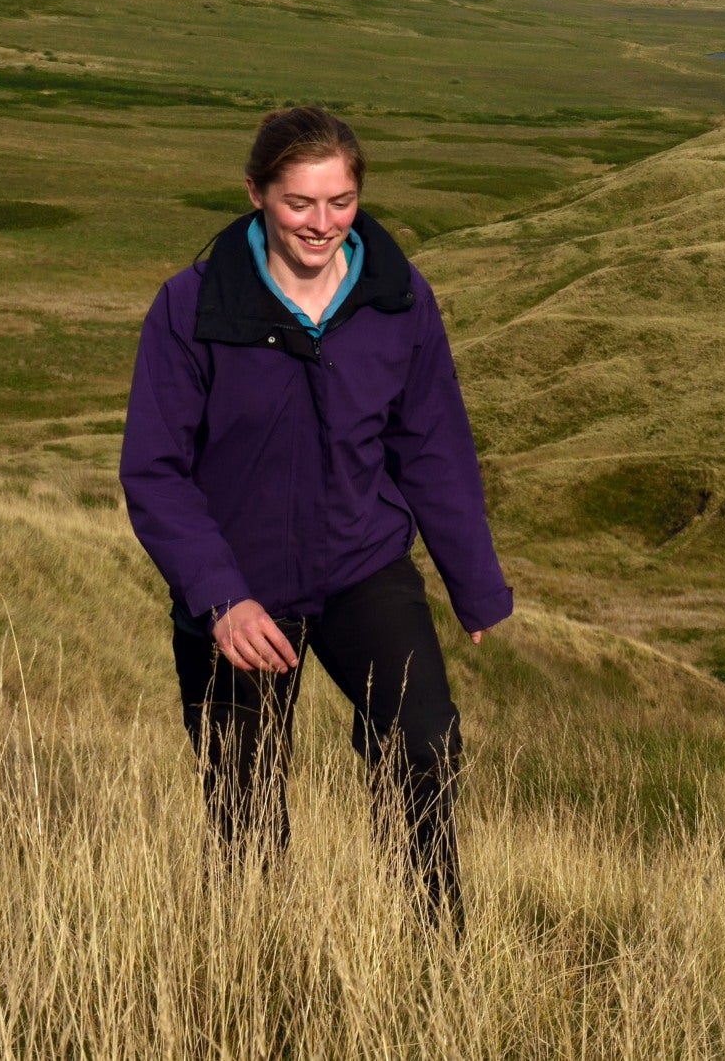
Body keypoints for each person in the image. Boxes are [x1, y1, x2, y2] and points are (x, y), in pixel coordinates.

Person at [121, 104, 511, 929]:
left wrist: (474, 584)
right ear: (257, 193)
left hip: (360, 568)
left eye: (340, 202)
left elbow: (432, 444)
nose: (322, 223)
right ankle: (259, 963)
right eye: (300, 202)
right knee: (245, 800)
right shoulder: (192, 307)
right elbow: (155, 474)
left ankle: (434, 946)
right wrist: (220, 599)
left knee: (426, 749)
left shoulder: (398, 301)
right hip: (239, 594)